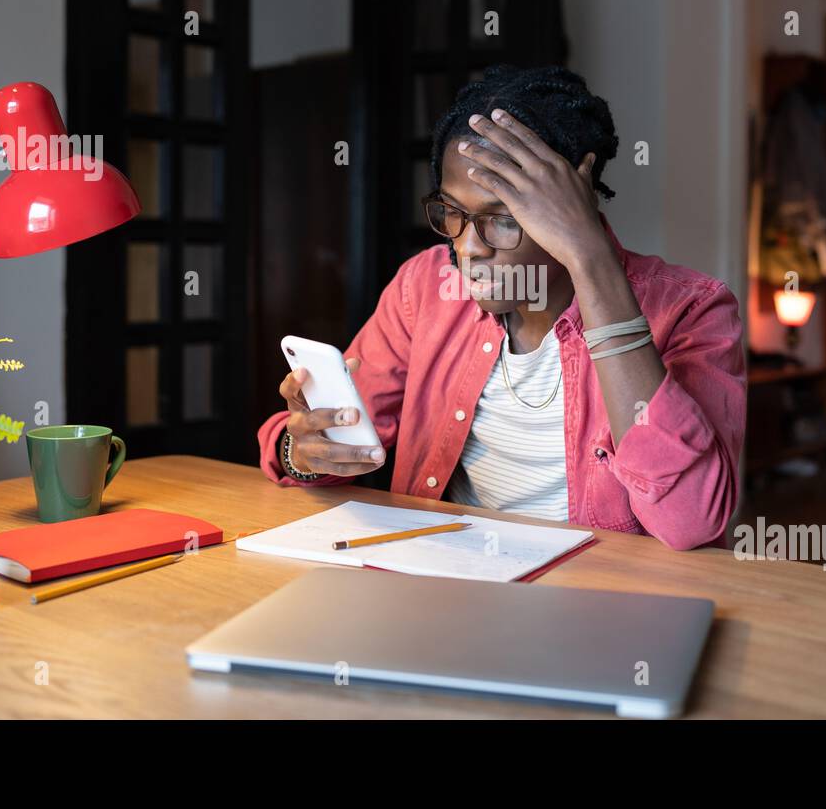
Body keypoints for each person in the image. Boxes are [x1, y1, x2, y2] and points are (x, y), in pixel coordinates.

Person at [258, 65, 745, 550]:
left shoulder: (692, 310)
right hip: (452, 583)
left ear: (574, 207)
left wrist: (591, 260)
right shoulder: (427, 286)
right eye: (452, 212)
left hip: (603, 603)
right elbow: (341, 441)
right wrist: (305, 450)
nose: (468, 247)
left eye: (503, 219)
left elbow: (692, 521)